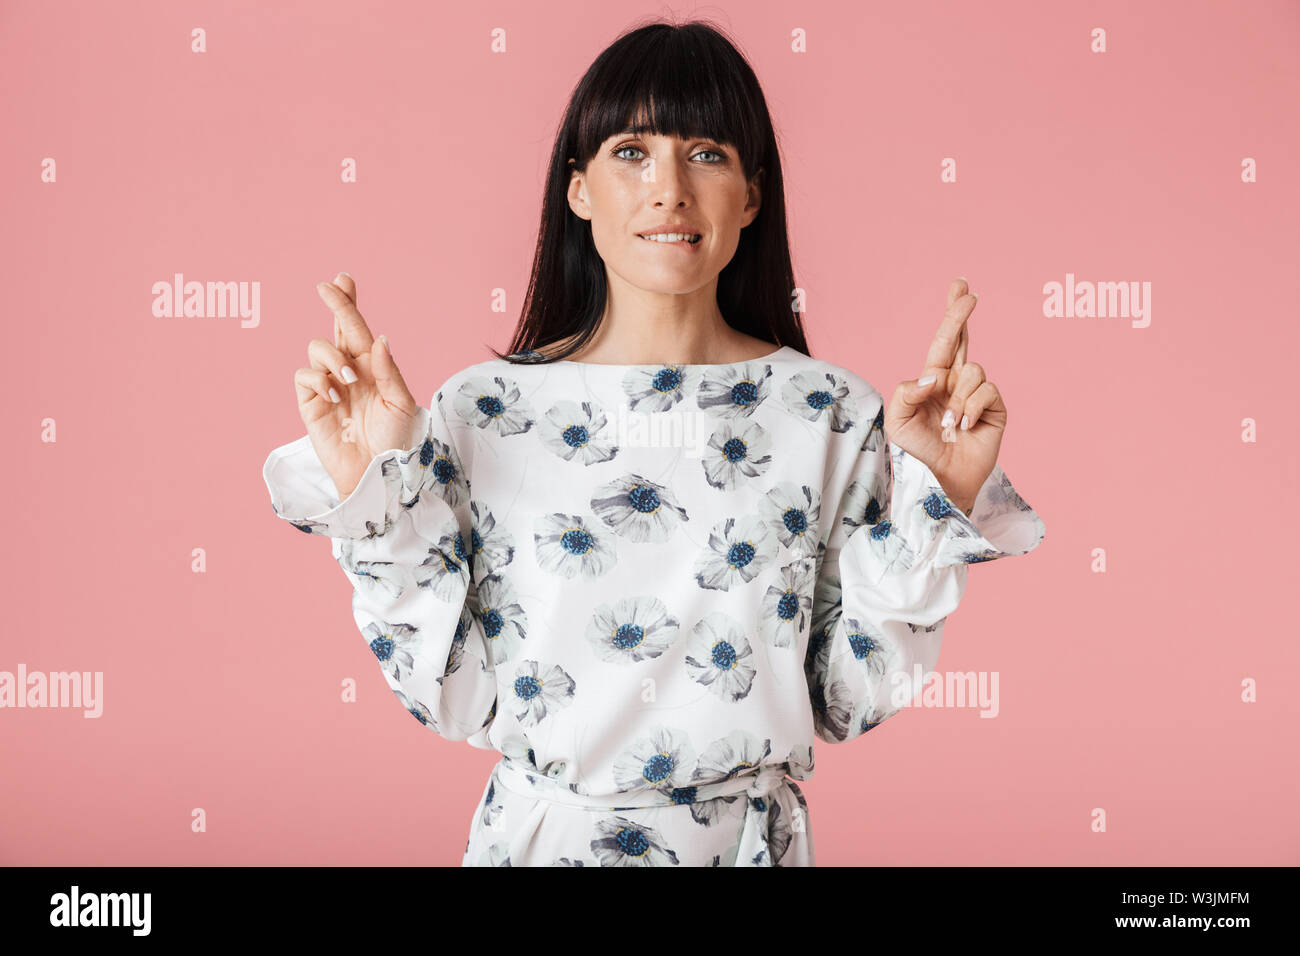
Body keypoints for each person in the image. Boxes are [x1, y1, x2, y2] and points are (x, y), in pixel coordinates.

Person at [261, 19, 1045, 866]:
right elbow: (454, 696)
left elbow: (845, 700)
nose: (668, 188)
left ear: (751, 194)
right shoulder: (480, 412)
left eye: (706, 152)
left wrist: (940, 500)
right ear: (579, 190)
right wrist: (374, 490)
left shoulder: (829, 414)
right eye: (631, 152)